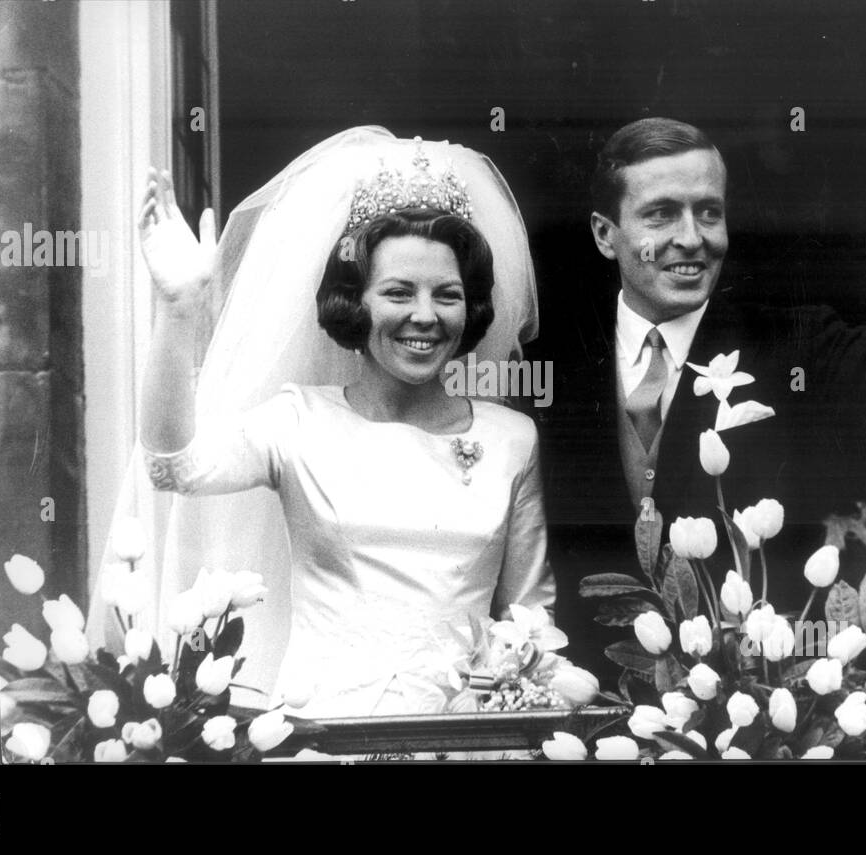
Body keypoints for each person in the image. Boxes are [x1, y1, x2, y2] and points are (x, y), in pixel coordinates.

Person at [529, 23, 866, 676]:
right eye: (660, 214)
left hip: (764, 721)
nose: (691, 237)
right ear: (603, 233)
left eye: (709, 212)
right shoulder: (549, 368)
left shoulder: (795, 343)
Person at [91, 129, 551, 717]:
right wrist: (178, 312)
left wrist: (503, 690)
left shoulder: (512, 439)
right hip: (320, 735)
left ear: (473, 306)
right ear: (354, 302)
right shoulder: (297, 421)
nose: (424, 316)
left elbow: (531, 618)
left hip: (467, 741)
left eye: (448, 295)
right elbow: (172, 466)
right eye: (398, 291)